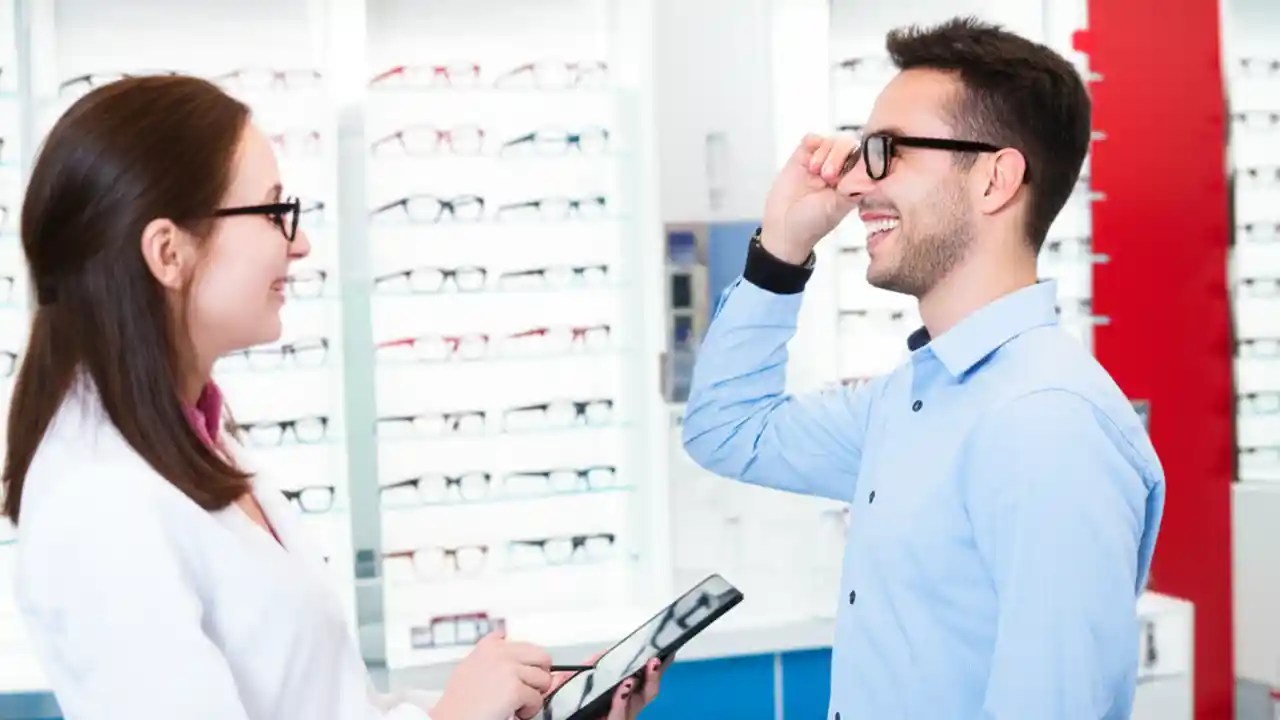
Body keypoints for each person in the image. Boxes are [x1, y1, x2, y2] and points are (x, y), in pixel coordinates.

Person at [0, 75, 663, 720]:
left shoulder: (197, 435)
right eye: (272, 211)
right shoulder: (98, 501)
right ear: (168, 252)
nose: (300, 242)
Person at [682, 17, 1165, 720]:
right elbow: (728, 431)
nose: (857, 179)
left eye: (888, 152)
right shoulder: (913, 399)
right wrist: (781, 249)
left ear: (996, 178)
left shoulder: (1048, 425)